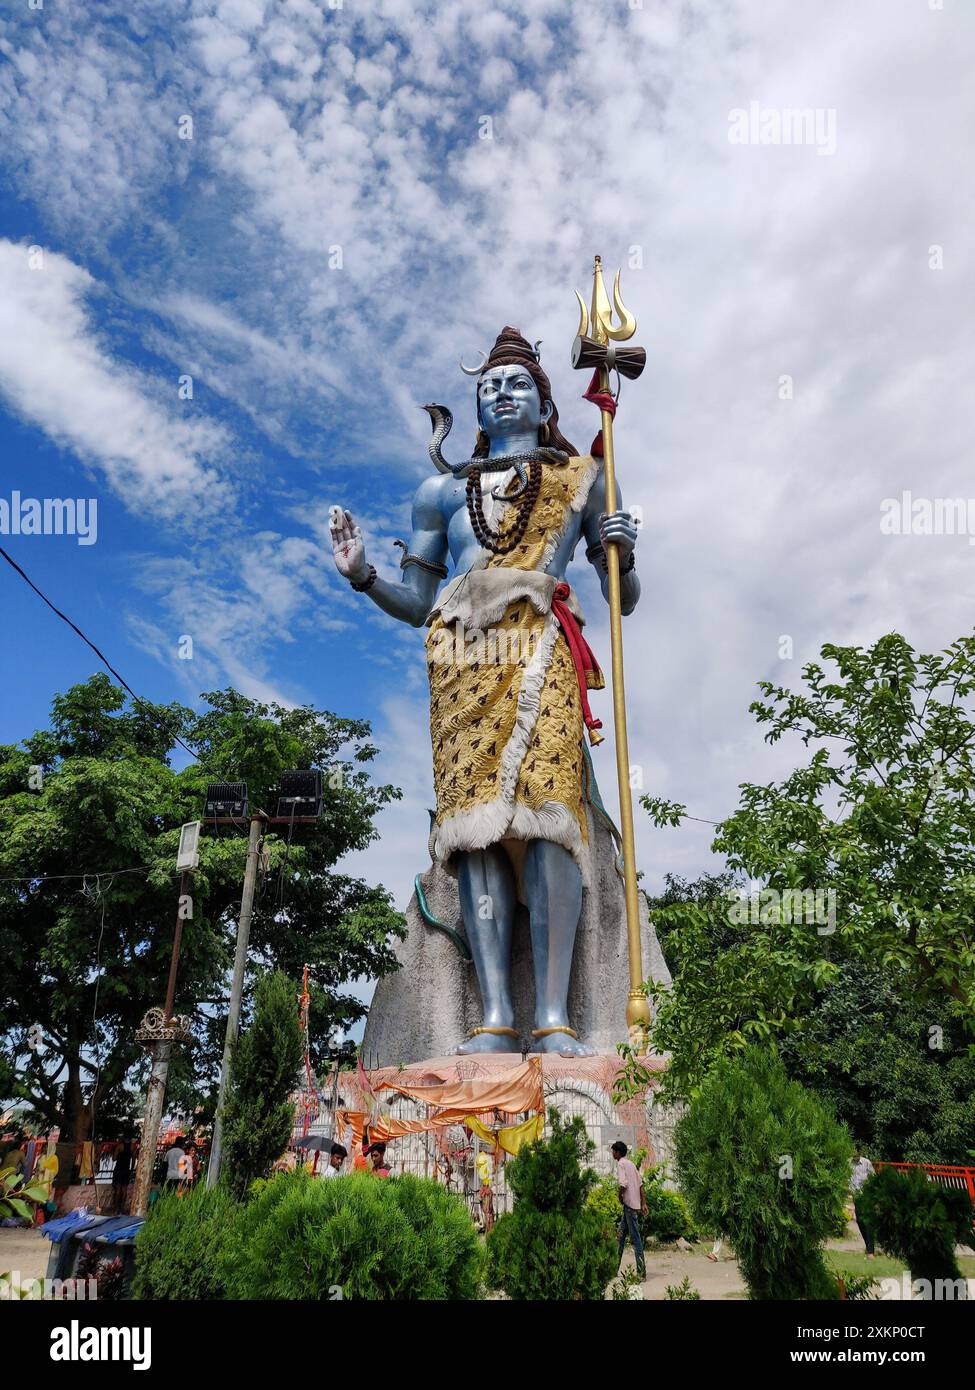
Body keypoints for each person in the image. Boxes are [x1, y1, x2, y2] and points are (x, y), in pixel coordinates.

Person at [330, 324, 641, 1057]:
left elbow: (622, 599)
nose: (502, 395)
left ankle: (557, 1016)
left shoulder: (584, 479)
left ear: (542, 401)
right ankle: (496, 1015)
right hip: (459, 662)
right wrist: (363, 574)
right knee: (472, 838)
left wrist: (622, 549)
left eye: (516, 385)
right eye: (489, 387)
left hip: (538, 648)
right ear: (477, 406)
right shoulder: (440, 493)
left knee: (546, 823)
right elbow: (417, 602)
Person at [611, 1141, 647, 1279]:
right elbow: (641, 1185)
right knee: (620, 1236)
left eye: (613, 1151)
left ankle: (641, 1272)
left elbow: (623, 1184)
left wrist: (619, 1195)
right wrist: (643, 1203)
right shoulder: (631, 1164)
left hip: (629, 1207)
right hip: (632, 1207)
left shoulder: (621, 1164)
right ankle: (613, 1269)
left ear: (618, 1153)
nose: (612, 1154)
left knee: (636, 1239)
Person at [850, 1149, 876, 1258]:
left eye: (856, 1152)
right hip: (856, 1195)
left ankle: (871, 1251)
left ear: (859, 1152)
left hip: (866, 1194)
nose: (854, 1154)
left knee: (868, 1221)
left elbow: (873, 1177)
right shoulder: (848, 1163)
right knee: (860, 1220)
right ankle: (868, 1246)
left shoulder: (866, 1162)